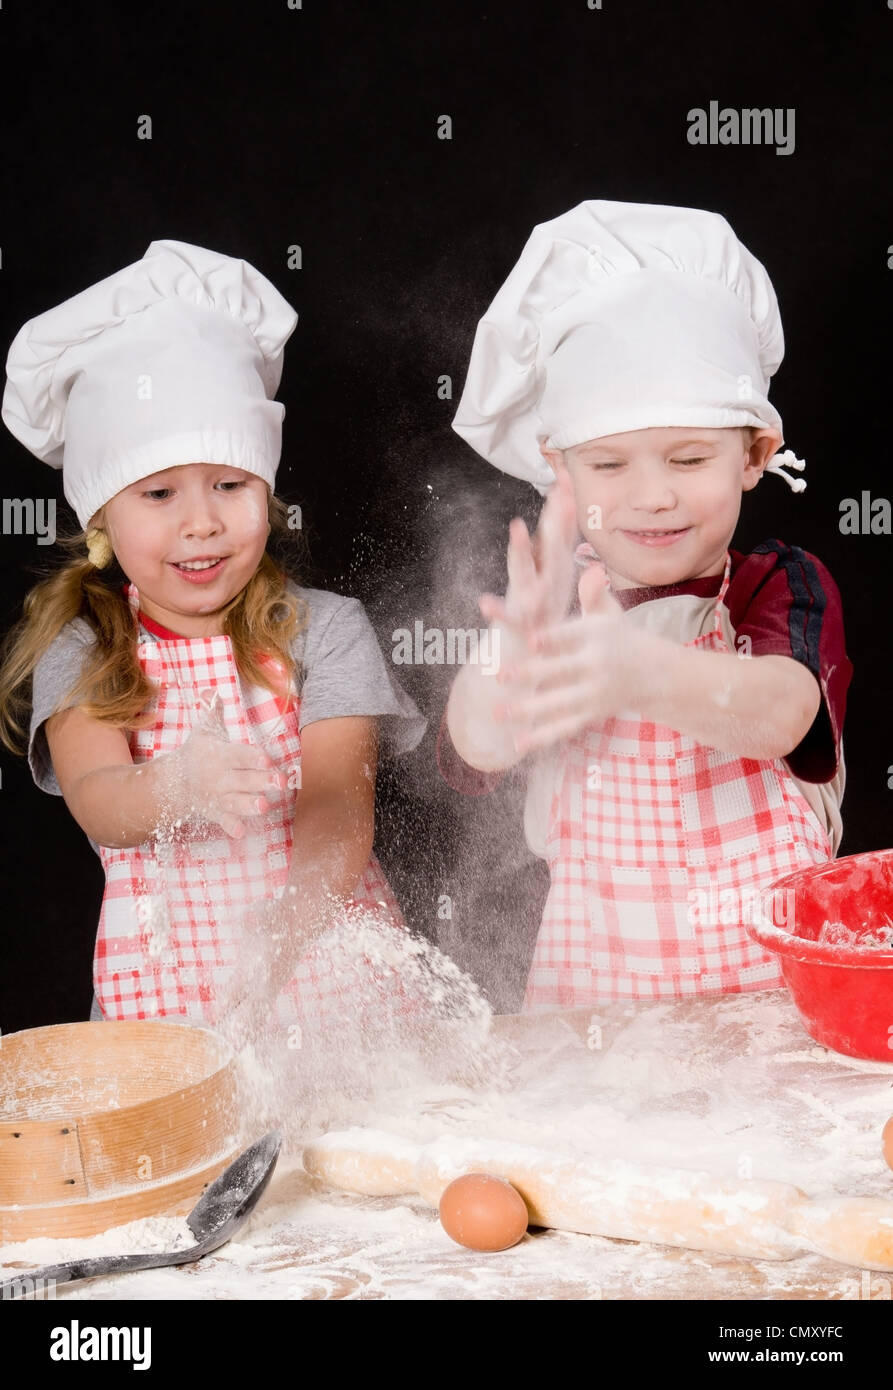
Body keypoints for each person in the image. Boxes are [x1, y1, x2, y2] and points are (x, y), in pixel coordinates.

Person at [0, 239, 425, 1036]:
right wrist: (179, 787)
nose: (201, 522)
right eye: (158, 492)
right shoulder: (88, 648)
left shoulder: (324, 630)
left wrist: (285, 934)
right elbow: (99, 804)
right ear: (101, 517)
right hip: (161, 1003)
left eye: (230, 485)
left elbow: (337, 805)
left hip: (327, 973)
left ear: (265, 492)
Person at [441, 200, 852, 1009]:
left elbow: (780, 714)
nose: (652, 496)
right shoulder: (550, 603)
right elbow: (479, 745)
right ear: (559, 470)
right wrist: (511, 668)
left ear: (753, 453)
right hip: (593, 1024)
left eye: (688, 456)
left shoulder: (781, 582)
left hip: (771, 1009)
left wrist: (636, 670)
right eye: (610, 465)